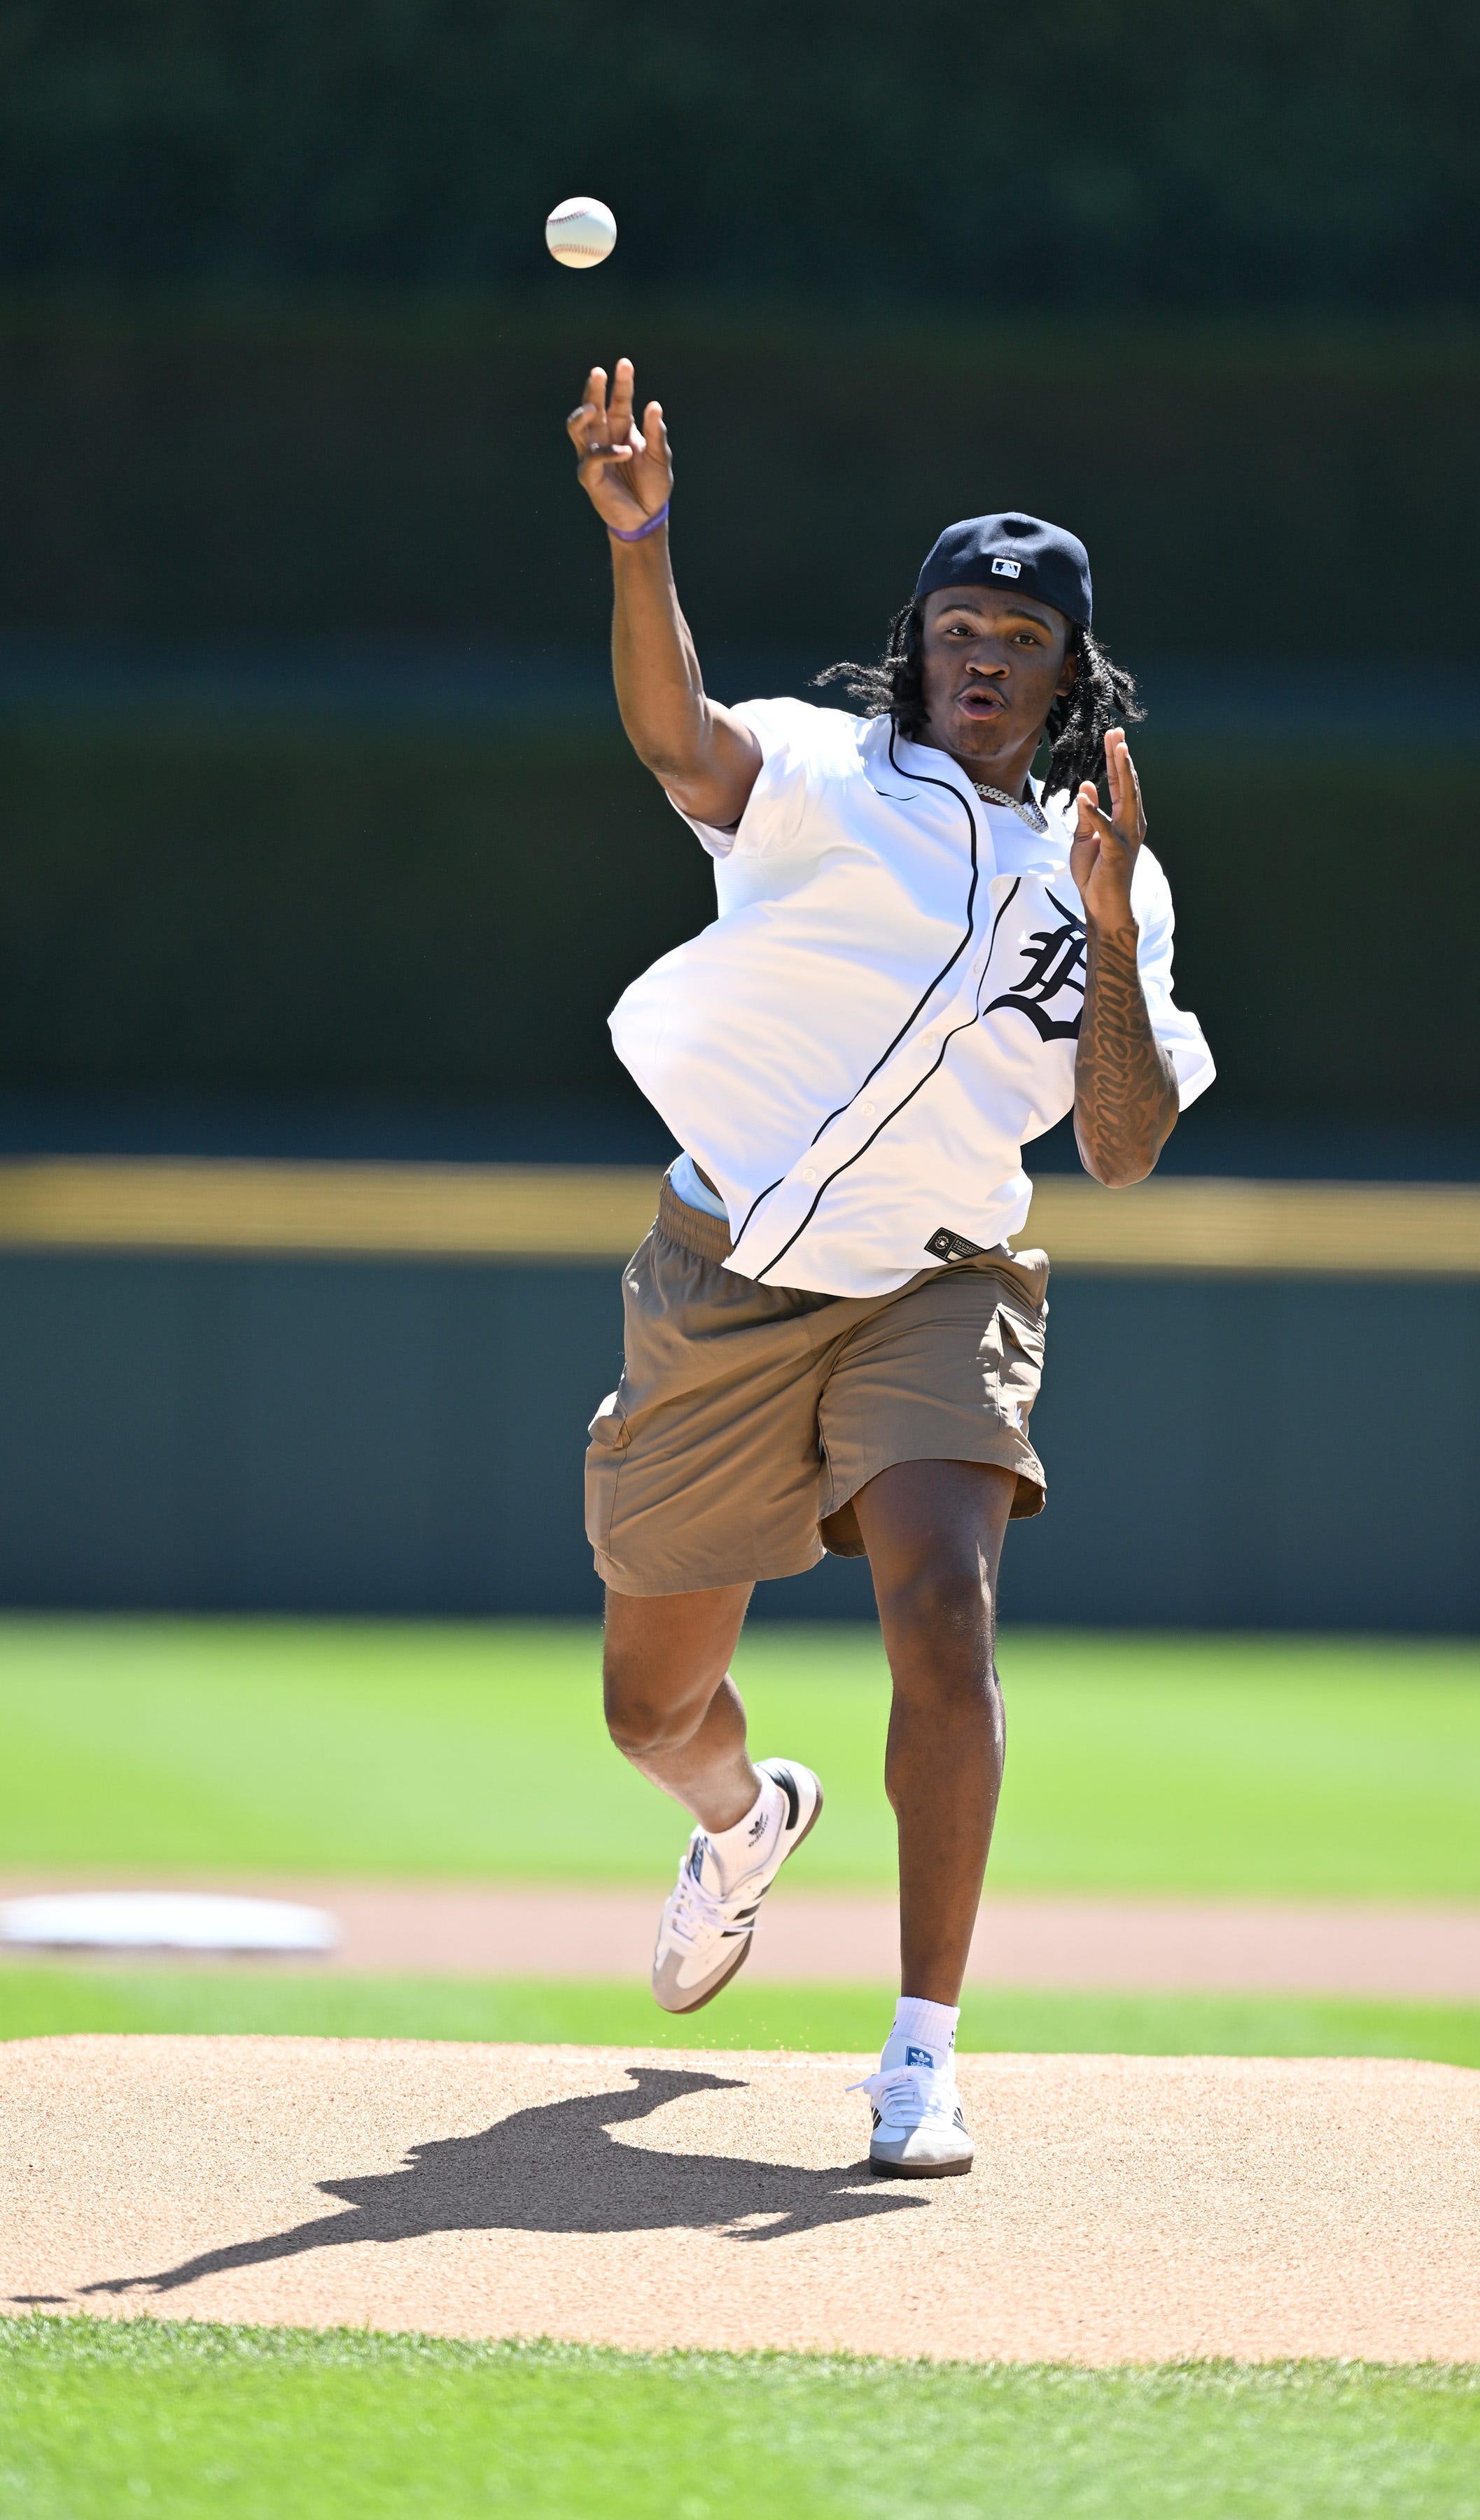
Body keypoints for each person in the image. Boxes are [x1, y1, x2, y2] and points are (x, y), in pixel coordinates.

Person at [569, 358, 1213, 2176]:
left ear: (1071, 674)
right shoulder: (827, 776)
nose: (983, 659)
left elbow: (1121, 1147)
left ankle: (921, 2054)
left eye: (1021, 637)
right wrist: (642, 545)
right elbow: (677, 738)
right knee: (648, 1707)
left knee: (945, 1614)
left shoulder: (1113, 877)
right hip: (726, 1273)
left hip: (940, 1281)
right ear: (914, 650)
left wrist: (1109, 926)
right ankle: (740, 1817)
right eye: (957, 629)